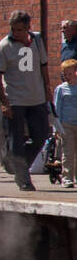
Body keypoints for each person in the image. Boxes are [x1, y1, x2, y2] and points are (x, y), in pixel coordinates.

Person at [0, 10, 52, 191]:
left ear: (28, 28)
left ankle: (12, 161)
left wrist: (47, 89)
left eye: (19, 30)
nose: (15, 33)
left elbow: (43, 66)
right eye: (13, 29)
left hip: (37, 98)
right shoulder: (4, 46)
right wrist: (4, 102)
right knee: (16, 140)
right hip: (15, 100)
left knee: (41, 136)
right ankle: (24, 179)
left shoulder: (37, 40)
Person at [54, 59, 77, 188]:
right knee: (67, 152)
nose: (67, 77)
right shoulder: (61, 89)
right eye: (65, 74)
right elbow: (57, 108)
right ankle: (67, 178)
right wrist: (56, 127)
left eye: (69, 74)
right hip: (66, 125)